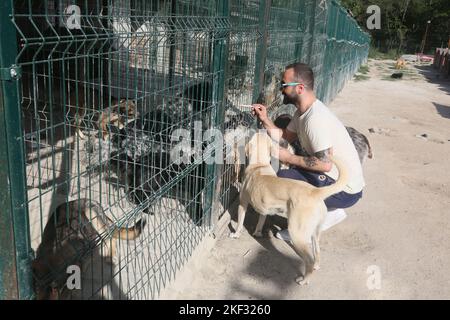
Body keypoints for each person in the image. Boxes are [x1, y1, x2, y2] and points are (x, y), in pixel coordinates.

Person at [252, 62, 365, 242]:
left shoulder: (315, 119)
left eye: (283, 85)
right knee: (286, 173)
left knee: (283, 178)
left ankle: (303, 228)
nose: (281, 89)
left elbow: (325, 164)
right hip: (341, 182)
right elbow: (284, 138)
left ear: (300, 88)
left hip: (346, 191)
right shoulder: (302, 113)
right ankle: (330, 212)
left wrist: (288, 157)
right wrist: (265, 119)